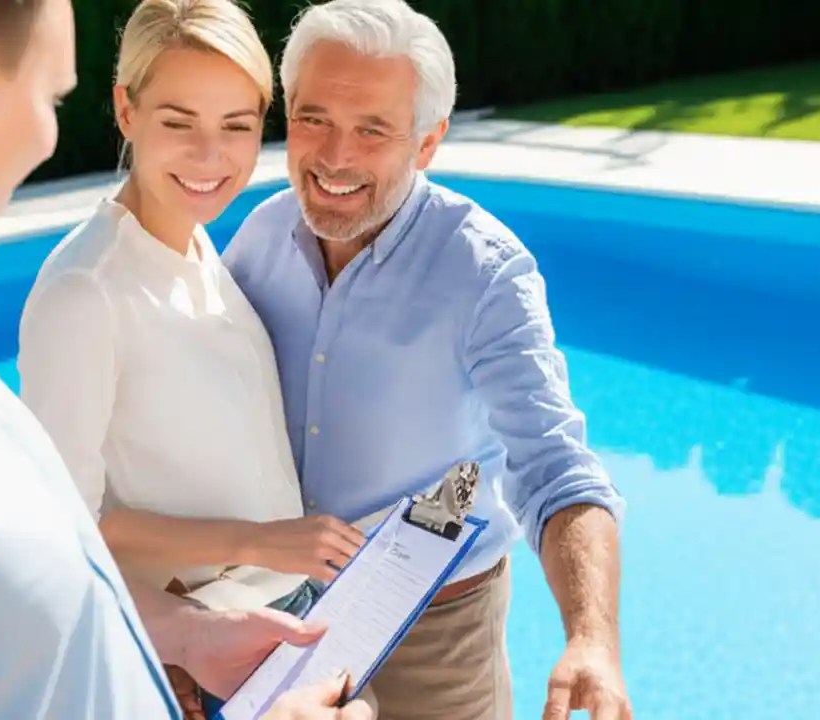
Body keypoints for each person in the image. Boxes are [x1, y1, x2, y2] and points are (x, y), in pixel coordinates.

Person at [0, 1, 368, 718]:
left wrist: (188, 636)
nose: (49, 141)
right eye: (50, 97)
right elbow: (74, 533)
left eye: (237, 124)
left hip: (239, 627)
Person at [222, 0, 632, 718]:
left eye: (372, 130)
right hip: (279, 615)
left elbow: (555, 469)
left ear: (428, 141)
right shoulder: (258, 240)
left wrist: (592, 639)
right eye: (314, 118)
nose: (335, 157)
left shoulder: (486, 272)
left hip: (436, 638)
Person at [15, 0, 368, 715]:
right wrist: (261, 543)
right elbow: (63, 526)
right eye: (179, 123)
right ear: (126, 110)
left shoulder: (197, 243)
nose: (212, 158)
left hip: (283, 612)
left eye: (237, 126)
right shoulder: (85, 292)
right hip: (208, 650)